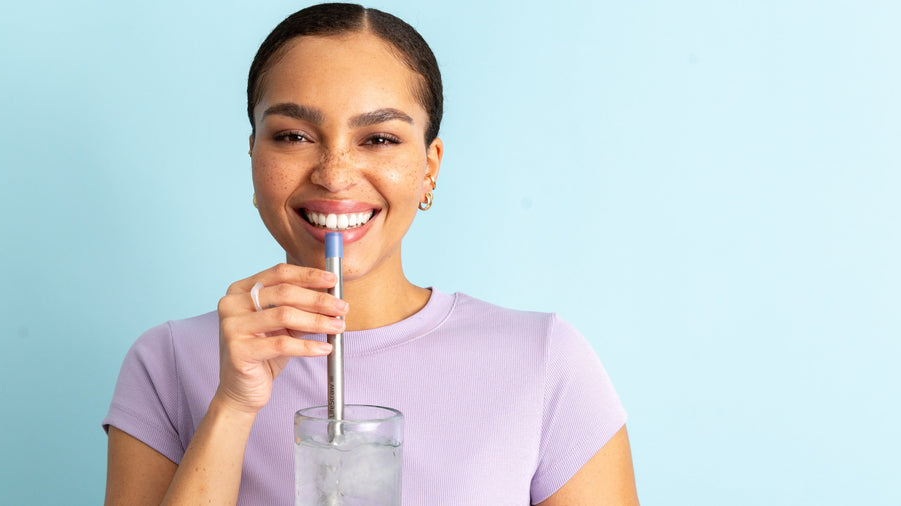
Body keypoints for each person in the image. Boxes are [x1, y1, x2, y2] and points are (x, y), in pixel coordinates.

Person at [102, 3, 638, 504]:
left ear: (429, 166)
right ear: (253, 155)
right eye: (292, 136)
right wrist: (232, 407)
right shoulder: (167, 363)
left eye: (379, 139)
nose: (334, 175)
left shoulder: (545, 361)